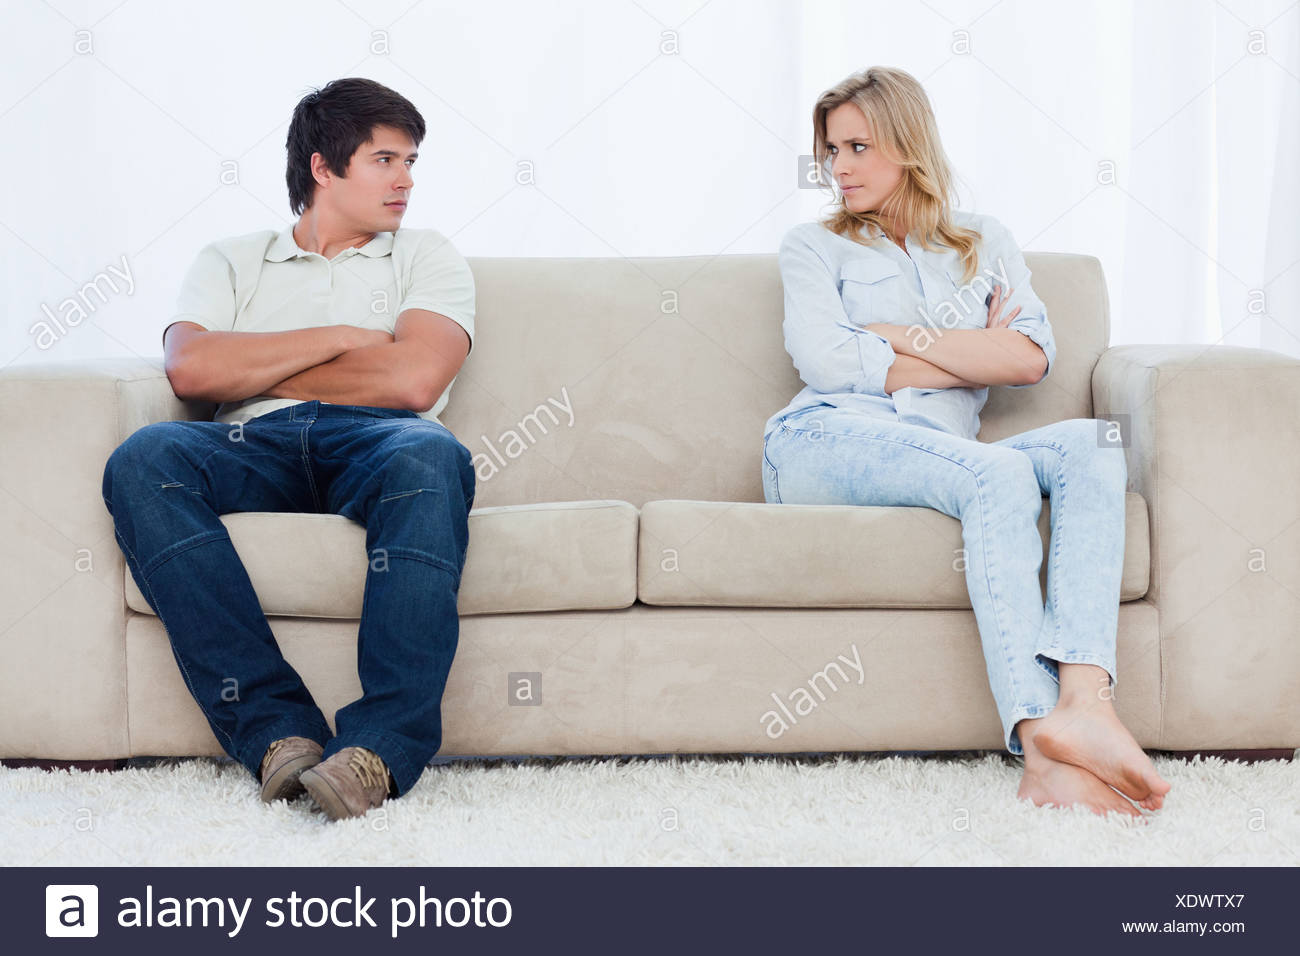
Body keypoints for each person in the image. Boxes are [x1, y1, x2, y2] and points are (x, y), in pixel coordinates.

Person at [763, 66, 1171, 818]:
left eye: (857, 147)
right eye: (830, 151)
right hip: (824, 439)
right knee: (998, 477)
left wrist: (888, 338)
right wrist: (970, 344)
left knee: (1095, 445)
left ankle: (1084, 699)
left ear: (908, 144)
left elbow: (1027, 358)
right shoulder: (813, 246)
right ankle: (1039, 735)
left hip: (945, 450)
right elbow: (826, 362)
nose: (838, 168)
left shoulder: (986, 243)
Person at [101, 77, 477, 821]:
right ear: (322, 167)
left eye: (411, 162)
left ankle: (375, 751)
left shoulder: (427, 255)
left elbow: (415, 378)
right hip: (249, 438)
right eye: (384, 159)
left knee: (433, 456)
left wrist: (259, 359)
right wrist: (344, 337)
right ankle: (279, 735)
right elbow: (193, 370)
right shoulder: (232, 259)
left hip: (384, 440)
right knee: (144, 458)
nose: (406, 179)